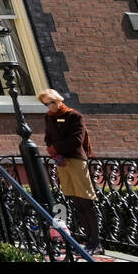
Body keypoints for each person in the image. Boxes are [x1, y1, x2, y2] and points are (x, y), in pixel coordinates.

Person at [38, 88, 103, 256]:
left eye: (52, 102)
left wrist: (56, 148)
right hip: (61, 162)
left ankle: (96, 242)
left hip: (75, 160)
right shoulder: (49, 117)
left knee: (86, 201)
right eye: (46, 104)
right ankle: (87, 241)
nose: (50, 106)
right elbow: (48, 137)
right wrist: (54, 152)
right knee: (76, 201)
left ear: (58, 100)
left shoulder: (74, 116)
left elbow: (76, 140)